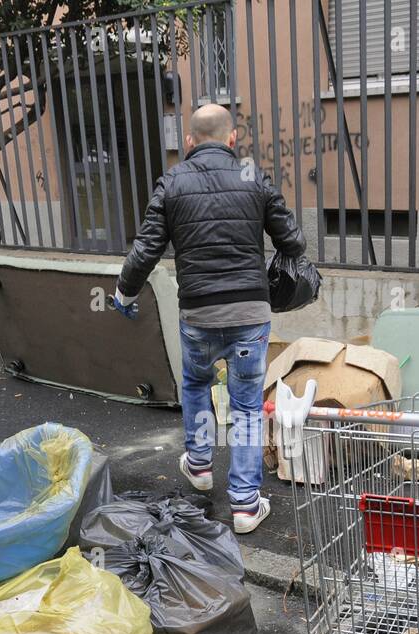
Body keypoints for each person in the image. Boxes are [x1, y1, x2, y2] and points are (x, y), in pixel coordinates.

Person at [112, 104, 305, 533]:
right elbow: (293, 241)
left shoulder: (173, 181)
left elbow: (146, 248)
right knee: (248, 407)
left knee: (197, 383)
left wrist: (124, 292)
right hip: (249, 315)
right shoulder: (253, 175)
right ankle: (244, 505)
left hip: (197, 313)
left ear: (189, 141)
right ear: (233, 139)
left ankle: (199, 463)